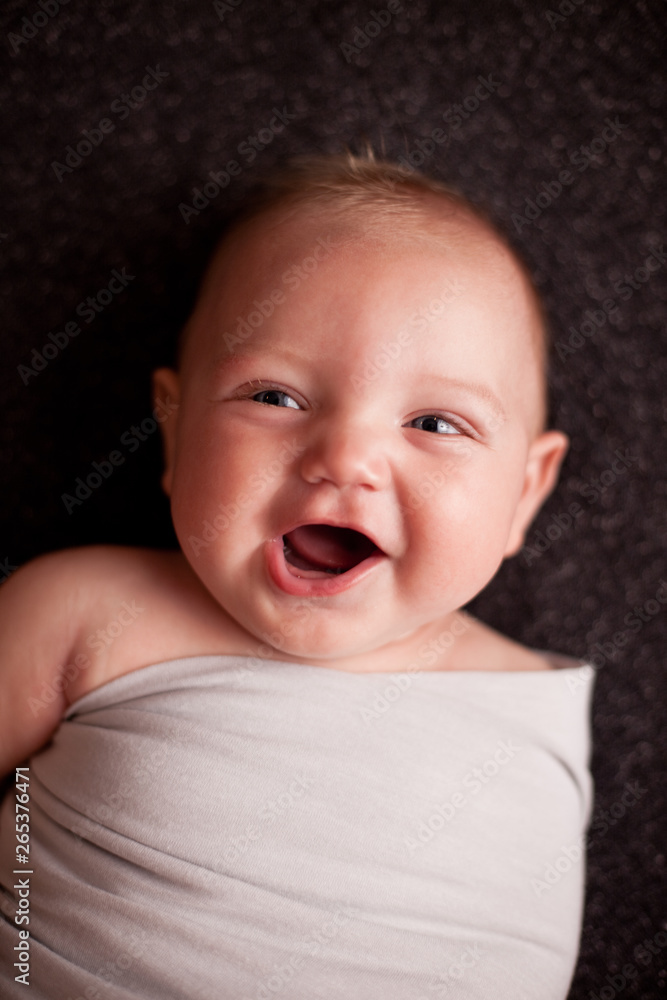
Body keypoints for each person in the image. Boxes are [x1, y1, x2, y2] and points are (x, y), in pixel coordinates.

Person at [0, 150, 595, 999]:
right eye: (273, 397)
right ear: (172, 433)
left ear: (523, 493)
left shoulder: (538, 702)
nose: (346, 458)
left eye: (435, 422)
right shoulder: (87, 615)